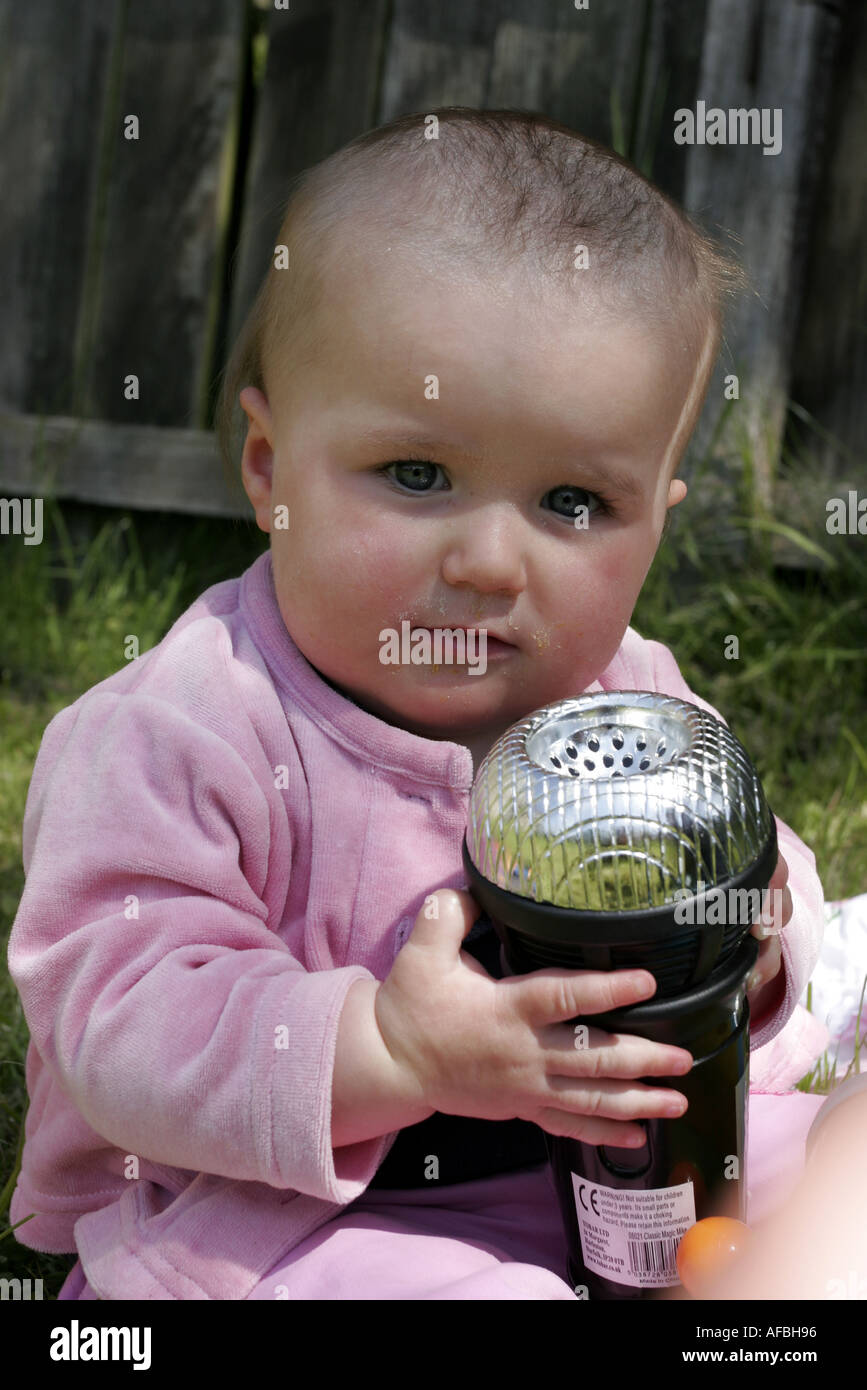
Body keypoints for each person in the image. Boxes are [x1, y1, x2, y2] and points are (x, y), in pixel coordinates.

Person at [6, 107, 827, 1301]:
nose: (493, 559)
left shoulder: (623, 697)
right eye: (418, 475)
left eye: (573, 502)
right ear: (269, 470)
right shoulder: (186, 728)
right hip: (299, 1217)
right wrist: (387, 1049)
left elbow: (748, 855)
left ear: (661, 514)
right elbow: (120, 1024)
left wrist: (754, 943)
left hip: (635, 1169)